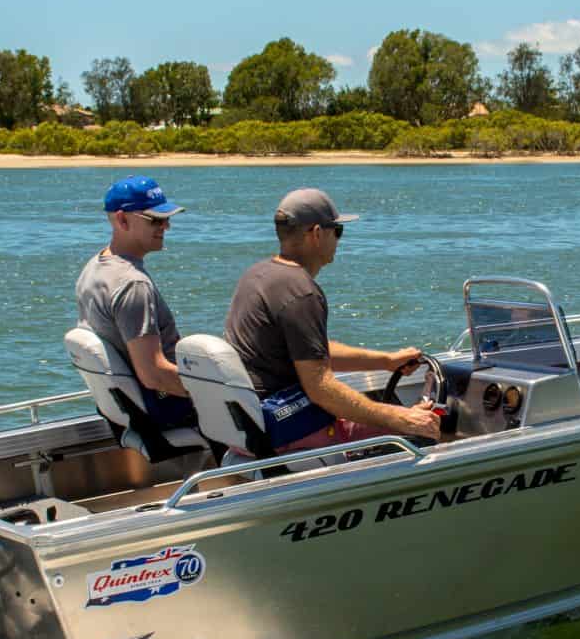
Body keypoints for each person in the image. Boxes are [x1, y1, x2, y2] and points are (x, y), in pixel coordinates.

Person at [224, 187, 440, 453]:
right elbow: (320, 389)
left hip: (253, 424)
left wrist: (386, 361)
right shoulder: (302, 293)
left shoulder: (256, 275)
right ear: (316, 234)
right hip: (288, 429)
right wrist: (402, 418)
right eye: (337, 231)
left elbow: (313, 353)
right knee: (421, 428)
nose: (339, 239)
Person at [75, 175, 195, 429]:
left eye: (168, 219)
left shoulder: (94, 267)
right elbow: (153, 374)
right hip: (169, 406)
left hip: (137, 408)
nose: (166, 227)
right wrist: (210, 391)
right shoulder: (132, 284)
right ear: (121, 219)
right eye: (155, 220)